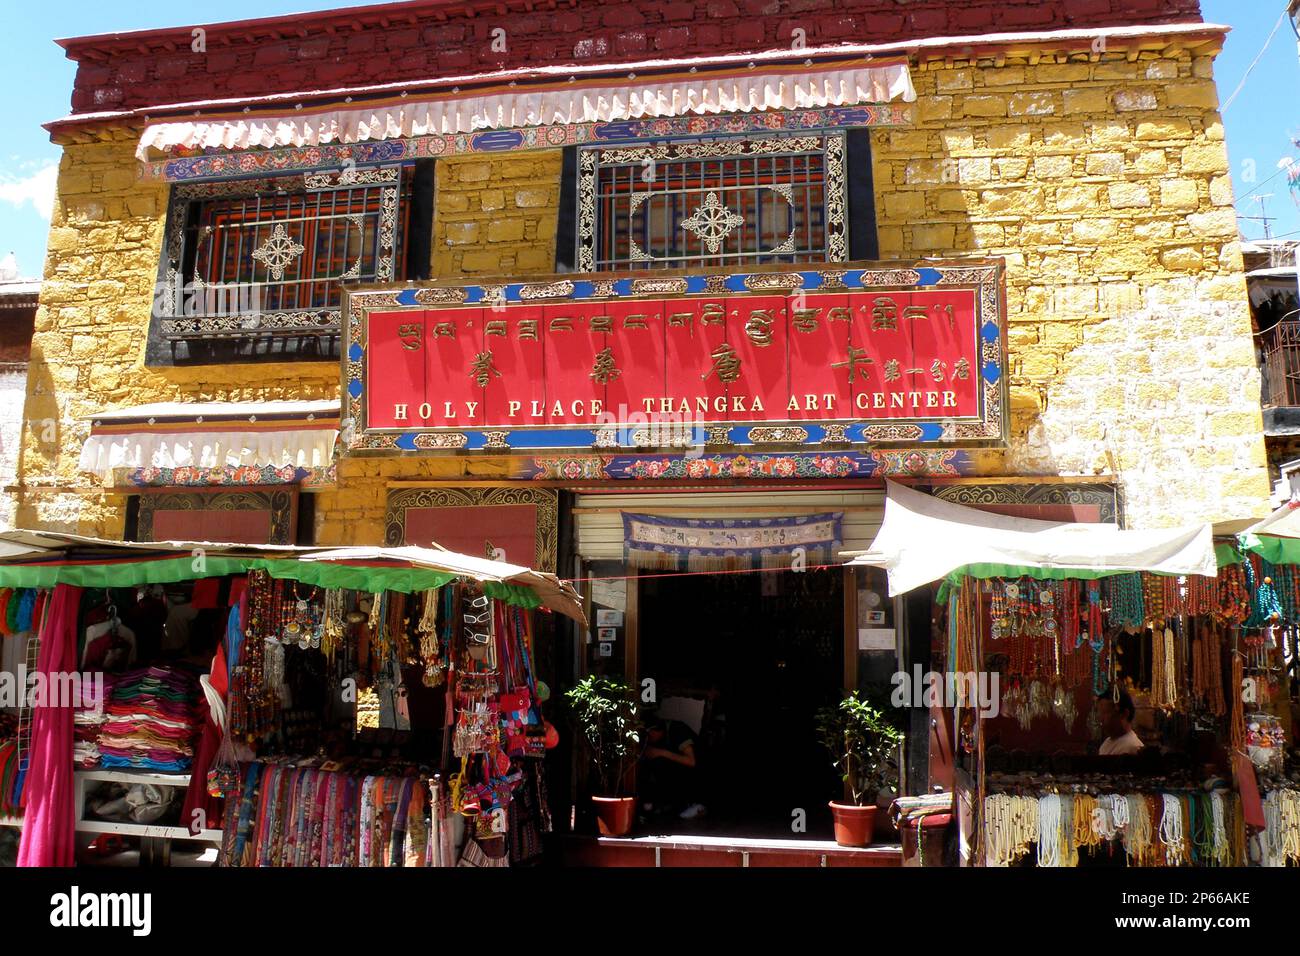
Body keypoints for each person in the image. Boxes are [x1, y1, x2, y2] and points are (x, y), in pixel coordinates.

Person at [639, 719, 701, 821]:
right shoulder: (657, 739)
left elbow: (691, 761)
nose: (648, 739)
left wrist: (661, 753)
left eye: (649, 735)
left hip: (698, 772)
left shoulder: (677, 730)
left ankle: (694, 804)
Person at [1096, 691, 1144, 756]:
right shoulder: (1107, 742)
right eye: (1099, 713)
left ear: (1124, 714)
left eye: (1105, 713)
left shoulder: (1132, 747)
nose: (1100, 718)